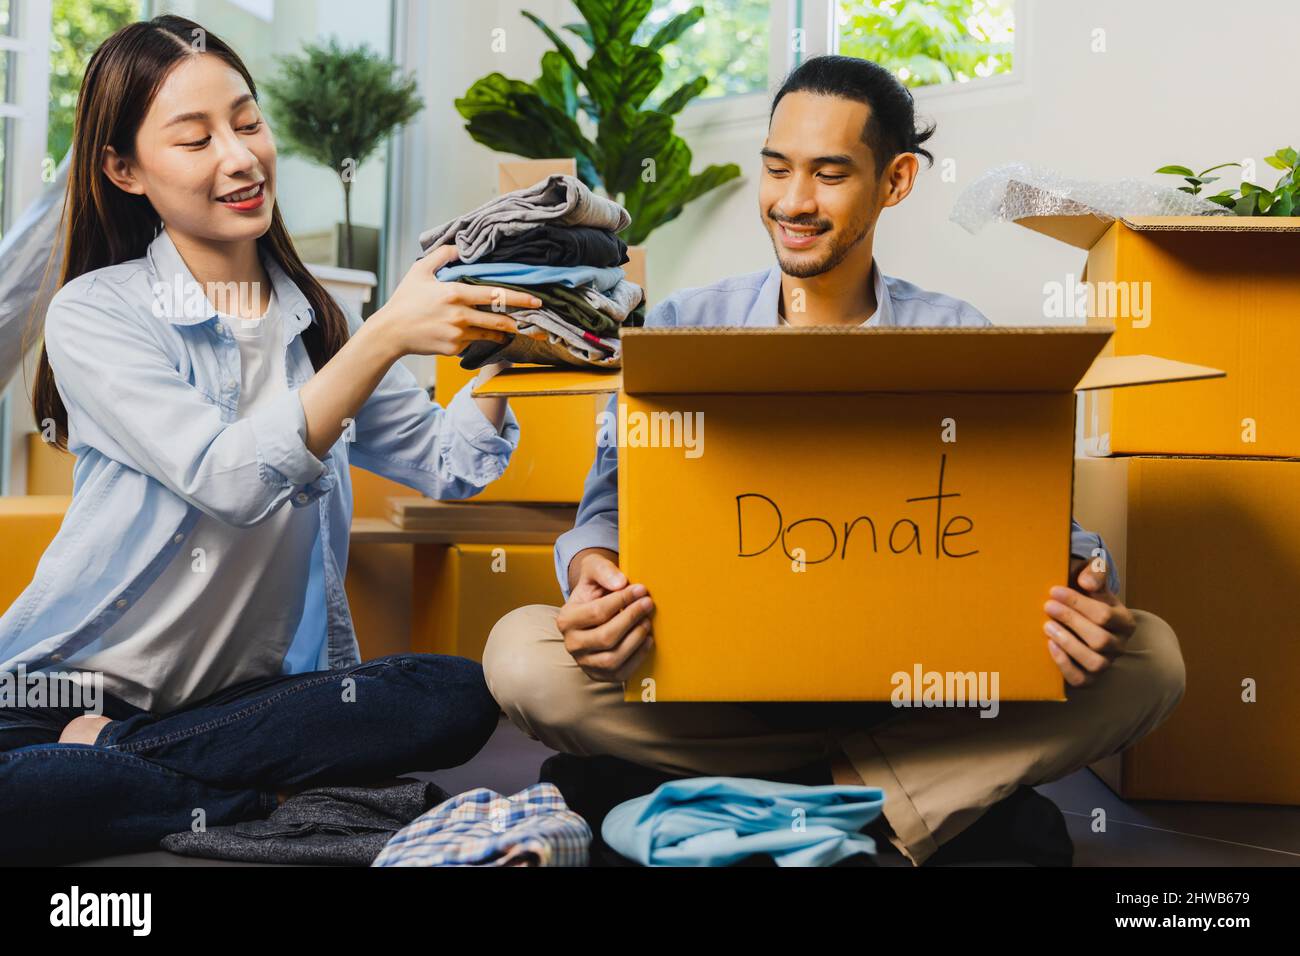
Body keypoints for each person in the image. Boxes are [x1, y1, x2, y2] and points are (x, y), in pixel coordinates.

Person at [483, 55, 1186, 867]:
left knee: (1150, 659)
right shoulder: (681, 326)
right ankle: (888, 796)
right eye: (776, 169)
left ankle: (780, 796)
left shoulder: (959, 338)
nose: (792, 202)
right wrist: (593, 571)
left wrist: (1083, 580)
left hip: (907, 692)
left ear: (895, 183)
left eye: (829, 174)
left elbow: (1034, 520)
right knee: (520, 654)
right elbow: (607, 505)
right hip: (719, 688)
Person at [0, 15, 535, 864]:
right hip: (52, 692)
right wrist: (384, 336)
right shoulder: (98, 312)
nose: (241, 157)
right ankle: (267, 798)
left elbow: (449, 463)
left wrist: (509, 361)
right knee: (20, 785)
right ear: (124, 169)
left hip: (235, 709)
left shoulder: (319, 319)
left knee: (458, 693)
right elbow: (232, 481)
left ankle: (133, 768)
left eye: (248, 122)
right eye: (196, 138)